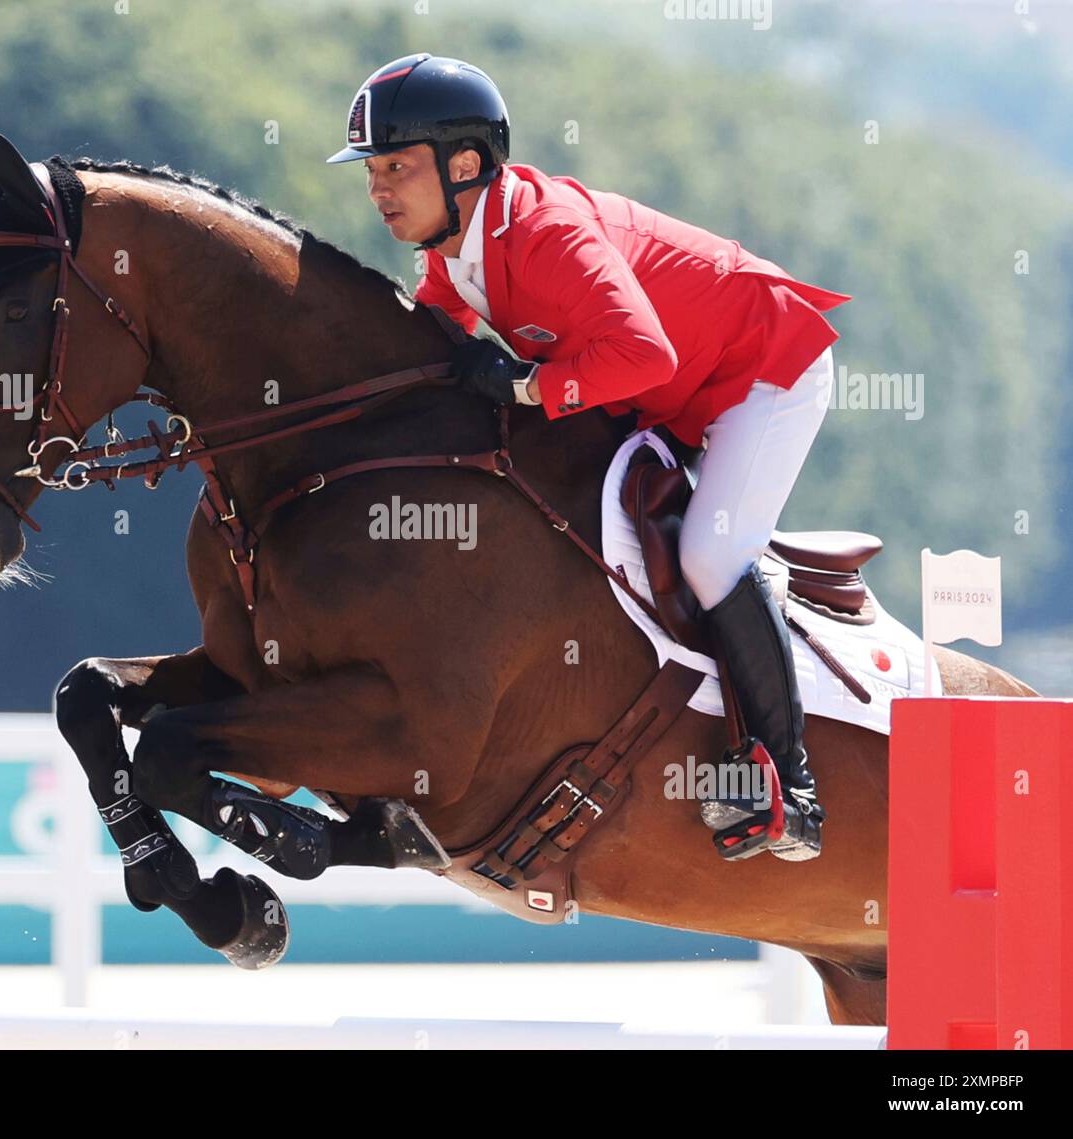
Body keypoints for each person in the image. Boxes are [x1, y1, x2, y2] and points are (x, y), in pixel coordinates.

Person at [326, 53, 850, 861]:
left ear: (464, 166)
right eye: (372, 170)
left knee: (710, 554)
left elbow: (646, 356)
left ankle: (791, 788)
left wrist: (530, 390)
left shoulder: (544, 235)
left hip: (759, 368)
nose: (377, 189)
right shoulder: (454, 249)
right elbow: (424, 353)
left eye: (396, 166)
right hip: (671, 388)